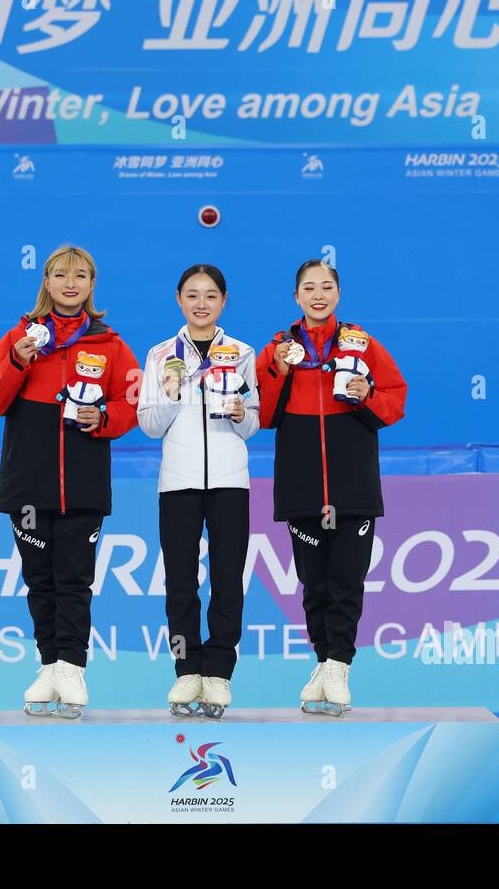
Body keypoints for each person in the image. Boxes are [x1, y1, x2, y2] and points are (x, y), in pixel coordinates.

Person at [0, 246, 140, 718]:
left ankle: (71, 665)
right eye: (62, 275)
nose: (72, 283)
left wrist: (104, 416)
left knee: (74, 580)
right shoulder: (19, 337)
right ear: (46, 281)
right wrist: (17, 360)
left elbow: (133, 401)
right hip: (27, 484)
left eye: (82, 275)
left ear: (93, 284)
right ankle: (48, 664)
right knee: (39, 581)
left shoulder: (109, 344)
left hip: (83, 487)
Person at [255, 260, 407, 716]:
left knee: (346, 580)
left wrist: (366, 395)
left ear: (338, 294)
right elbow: (261, 415)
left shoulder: (361, 344)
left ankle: (339, 664)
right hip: (301, 484)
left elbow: (395, 401)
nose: (317, 294)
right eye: (308, 288)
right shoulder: (279, 349)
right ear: (295, 297)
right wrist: (277, 371)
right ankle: (324, 662)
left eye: (326, 286)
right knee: (313, 585)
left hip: (352, 482)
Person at [137, 264, 259, 719]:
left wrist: (238, 411)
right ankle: (187, 671)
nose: (201, 303)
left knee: (228, 580)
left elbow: (253, 423)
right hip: (178, 483)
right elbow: (148, 425)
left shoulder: (242, 353)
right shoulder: (159, 355)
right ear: (178, 299)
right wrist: (170, 393)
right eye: (192, 294)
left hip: (230, 482)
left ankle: (219, 675)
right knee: (181, 582)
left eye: (210, 295)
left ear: (224, 301)